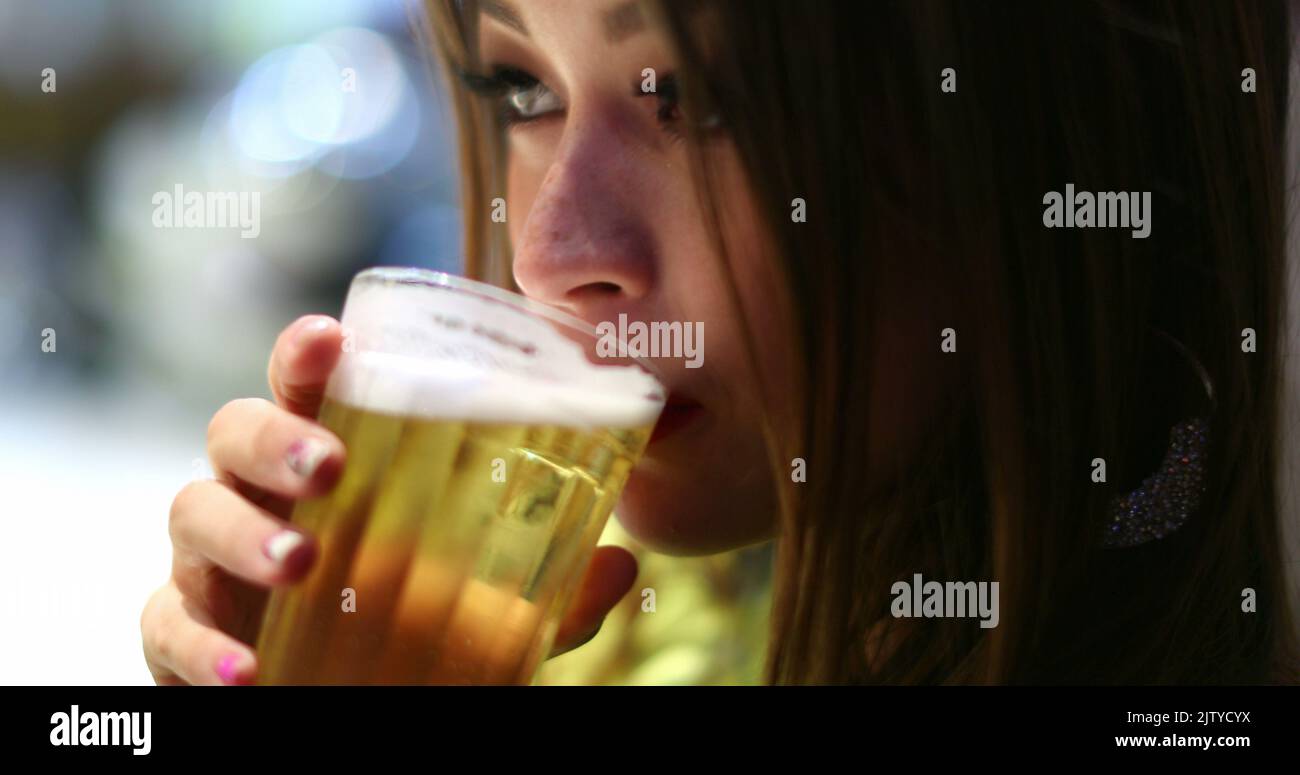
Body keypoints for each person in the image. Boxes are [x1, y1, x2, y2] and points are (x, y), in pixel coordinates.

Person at [141, 0, 1299, 685]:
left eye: (699, 98)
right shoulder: (580, 618)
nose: (546, 252)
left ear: (1048, 131)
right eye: (518, 87)